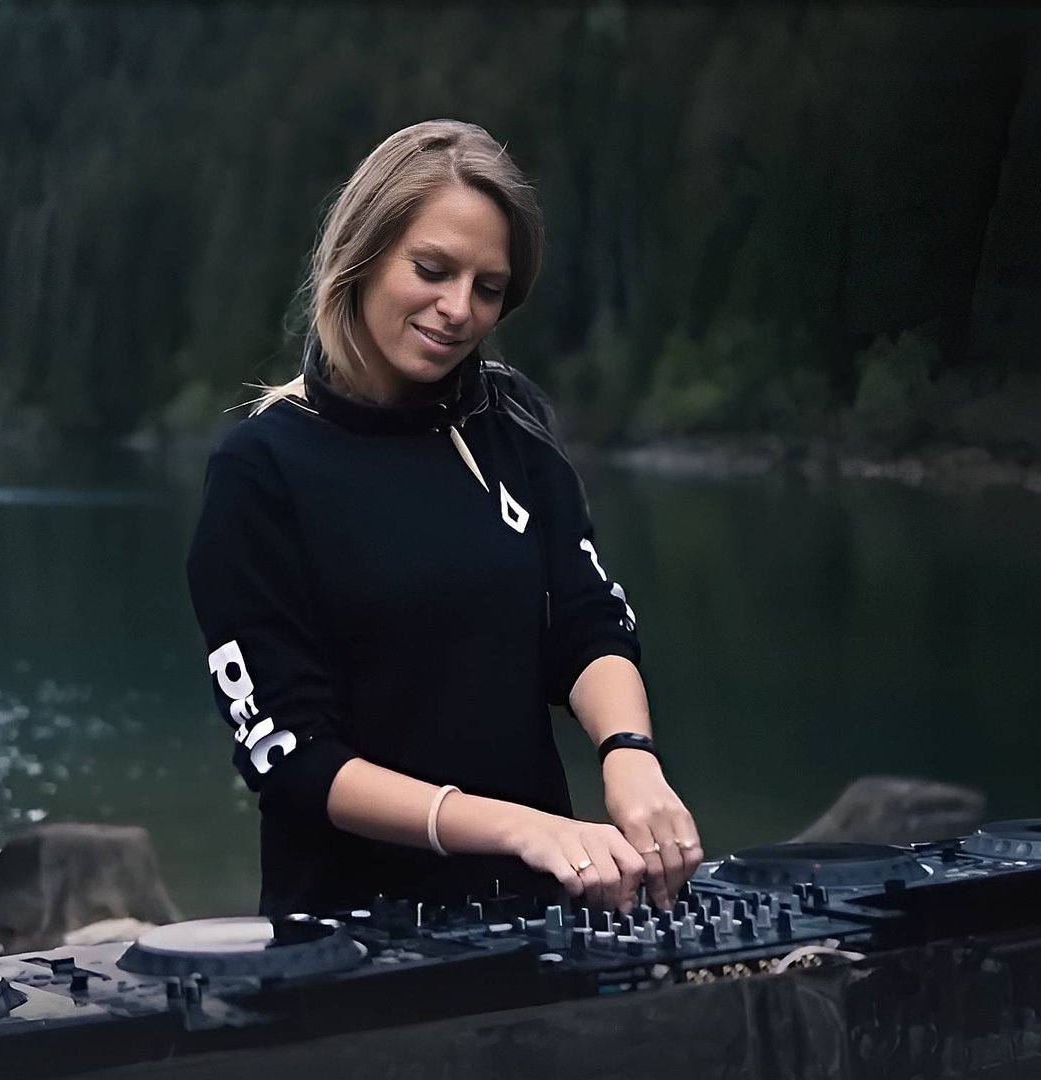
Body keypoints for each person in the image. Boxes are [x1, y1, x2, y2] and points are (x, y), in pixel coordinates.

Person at [185, 119, 702, 920]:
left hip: (544, 916)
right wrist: (517, 827)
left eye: (488, 288)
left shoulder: (512, 421)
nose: (458, 309)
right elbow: (291, 754)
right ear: (362, 254)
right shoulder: (261, 470)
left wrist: (629, 754)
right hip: (348, 940)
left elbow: (586, 621)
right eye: (431, 270)